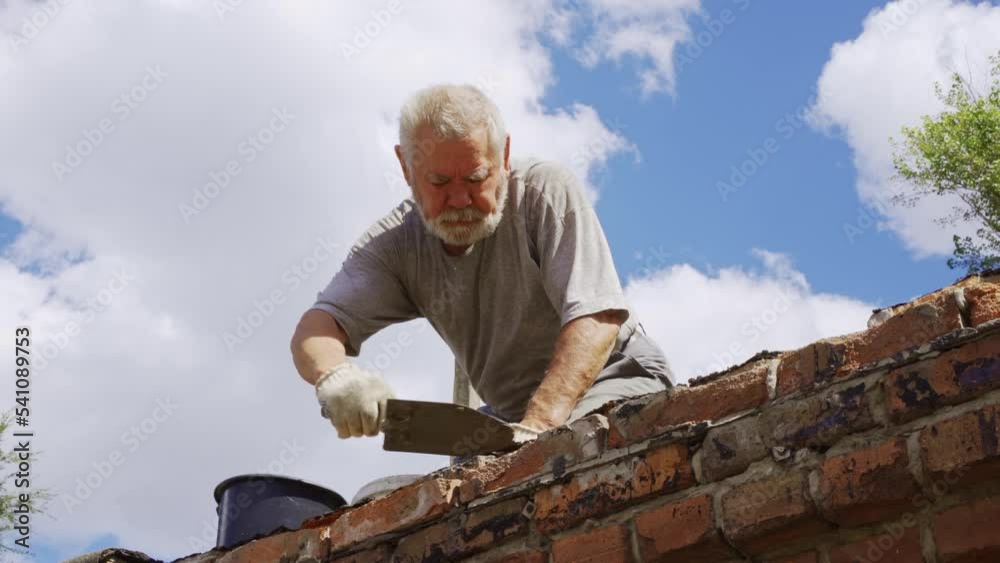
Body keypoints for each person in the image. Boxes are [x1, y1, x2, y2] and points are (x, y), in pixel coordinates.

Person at [289, 83, 674, 446]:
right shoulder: (395, 248)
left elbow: (597, 318)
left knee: (563, 454)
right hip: (509, 421)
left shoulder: (542, 193)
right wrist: (336, 377)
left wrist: (538, 427)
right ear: (406, 167)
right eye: (439, 182)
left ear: (503, 157)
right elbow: (318, 326)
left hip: (616, 379)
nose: (459, 200)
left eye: (476, 178)